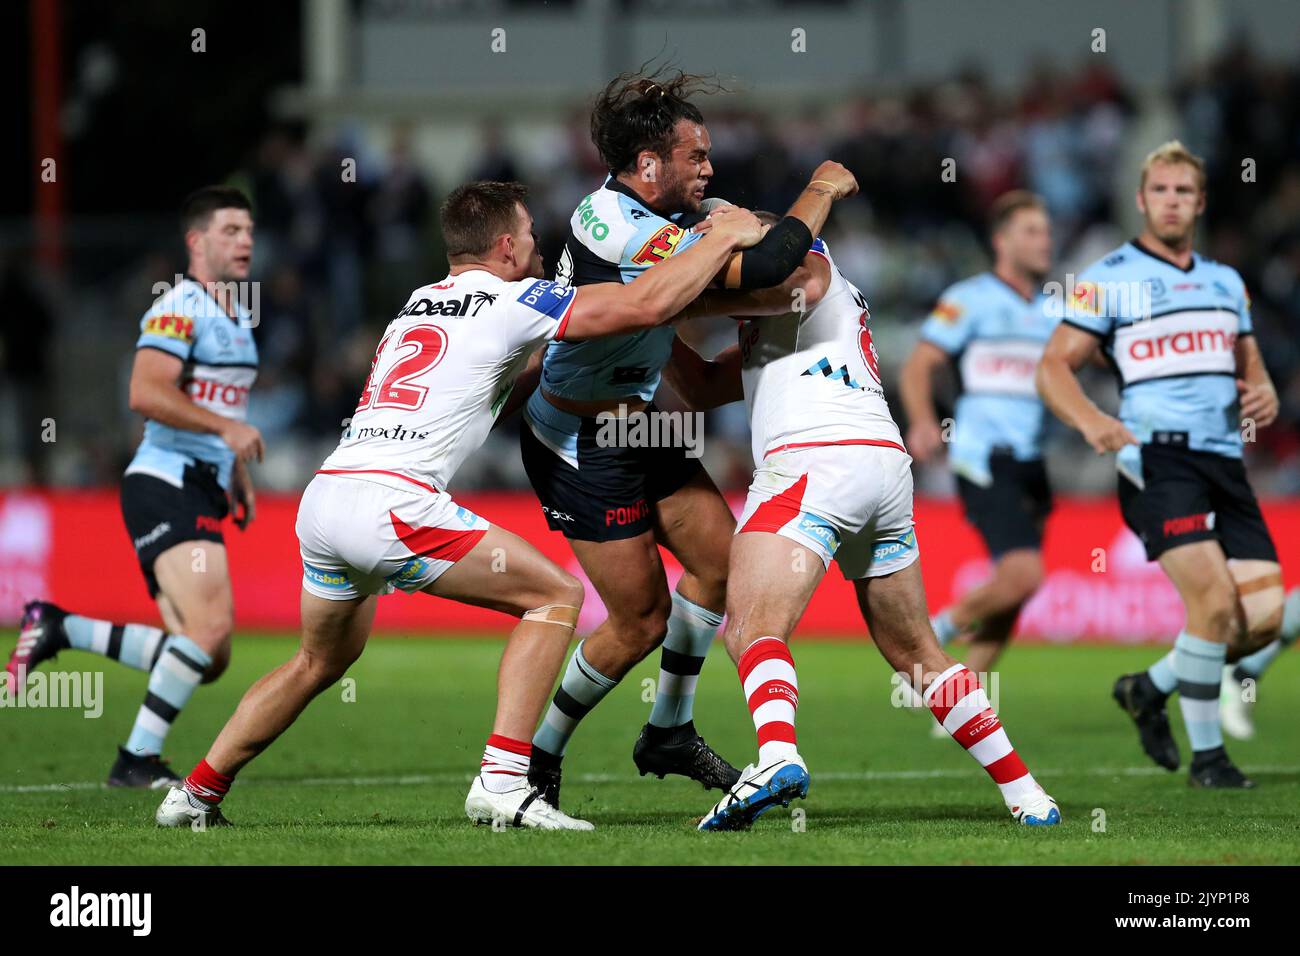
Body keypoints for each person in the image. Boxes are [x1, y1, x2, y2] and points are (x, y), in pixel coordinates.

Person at [154, 181, 766, 830]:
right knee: (554, 597)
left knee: (316, 662)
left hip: (329, 497)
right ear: (505, 246)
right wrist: (723, 236)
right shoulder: (516, 299)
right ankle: (503, 782)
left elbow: (482, 376)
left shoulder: (419, 301)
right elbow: (645, 302)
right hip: (394, 504)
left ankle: (193, 793)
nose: (540, 246)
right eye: (530, 235)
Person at [520, 67, 858, 807]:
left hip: (642, 419)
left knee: (720, 568)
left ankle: (668, 728)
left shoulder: (672, 224)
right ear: (648, 166)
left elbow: (709, 360)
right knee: (640, 621)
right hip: (579, 441)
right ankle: (535, 757)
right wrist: (822, 191)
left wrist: (802, 368)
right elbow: (771, 267)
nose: (709, 168)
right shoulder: (609, 223)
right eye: (695, 156)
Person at [664, 212, 1060, 829]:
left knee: (750, 626)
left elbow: (791, 280)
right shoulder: (776, 318)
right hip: (880, 469)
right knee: (916, 651)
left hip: (813, 462)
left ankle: (775, 756)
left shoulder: (809, 267)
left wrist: (672, 286)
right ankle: (1027, 793)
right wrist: (656, 326)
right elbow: (699, 386)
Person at [1036, 141, 1291, 788]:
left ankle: (1148, 688)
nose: (1172, 201)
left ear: (1200, 203)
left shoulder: (1225, 282)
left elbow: (1249, 365)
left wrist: (1263, 390)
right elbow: (1052, 366)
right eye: (1161, 191)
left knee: (1259, 623)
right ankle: (1210, 760)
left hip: (1223, 459)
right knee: (1210, 601)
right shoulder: (1108, 279)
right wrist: (1092, 421)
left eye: (1184, 191)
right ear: (1142, 199)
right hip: (1156, 457)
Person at [7, 186, 263, 788]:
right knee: (207, 634)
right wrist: (226, 428)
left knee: (207, 654)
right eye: (230, 230)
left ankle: (63, 628)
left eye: (248, 230)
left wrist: (237, 471)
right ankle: (136, 759)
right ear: (196, 241)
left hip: (201, 485)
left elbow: (218, 405)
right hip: (163, 481)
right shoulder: (179, 306)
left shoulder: (238, 317)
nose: (245, 240)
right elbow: (146, 392)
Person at [898, 192, 1057, 723]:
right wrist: (923, 420)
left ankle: (966, 712)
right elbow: (919, 365)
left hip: (1033, 462)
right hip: (984, 457)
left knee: (1011, 596)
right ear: (1002, 240)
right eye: (1032, 231)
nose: (1044, 241)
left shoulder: (1055, 308)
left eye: (1046, 231)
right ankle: (931, 633)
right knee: (1023, 576)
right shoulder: (970, 298)